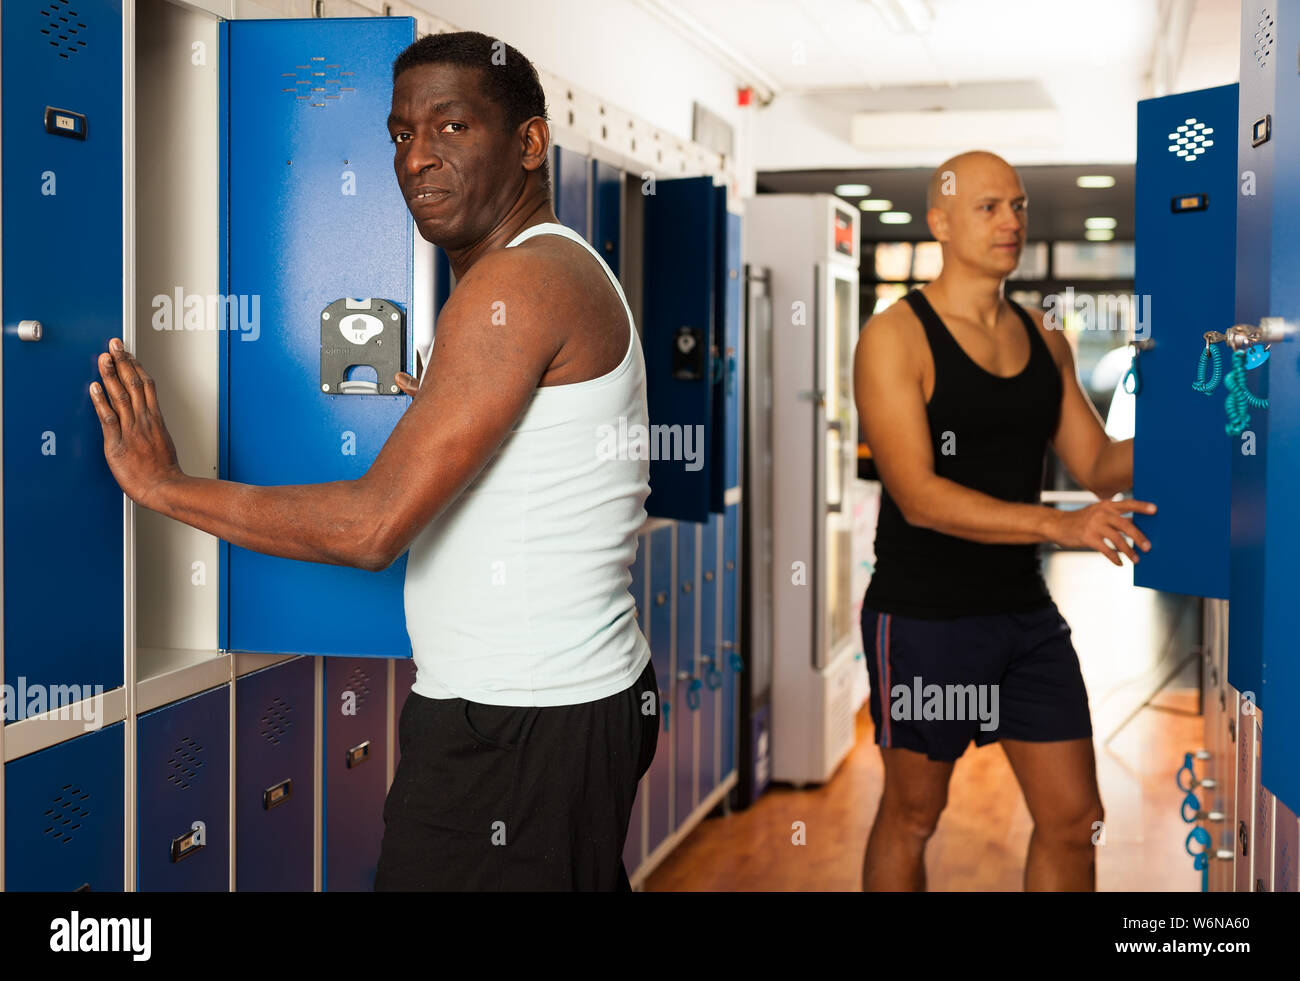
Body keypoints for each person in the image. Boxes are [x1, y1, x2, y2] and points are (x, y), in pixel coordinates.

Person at [89, 31, 658, 891]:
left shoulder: (516, 285)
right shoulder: (549, 273)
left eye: (452, 127)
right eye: (400, 134)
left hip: (520, 722)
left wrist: (166, 485)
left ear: (531, 144)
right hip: (560, 706)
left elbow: (371, 527)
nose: (417, 158)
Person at [852, 150, 1156, 891]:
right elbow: (919, 495)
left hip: (1024, 617)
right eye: (989, 207)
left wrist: (1216, 418)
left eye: (1017, 205)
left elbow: (1100, 464)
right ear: (941, 221)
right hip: (924, 616)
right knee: (914, 814)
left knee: (1074, 817)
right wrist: (1060, 527)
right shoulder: (896, 337)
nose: (1011, 220)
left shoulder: (1045, 337)